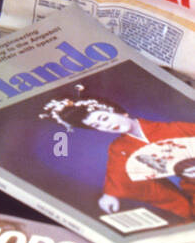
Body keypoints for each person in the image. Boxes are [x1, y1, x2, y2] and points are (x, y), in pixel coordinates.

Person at [40, 90, 195, 221]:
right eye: (97, 126)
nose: (105, 125)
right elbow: (119, 172)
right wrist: (111, 195)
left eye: (104, 118)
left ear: (120, 112)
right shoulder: (120, 148)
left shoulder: (175, 128)